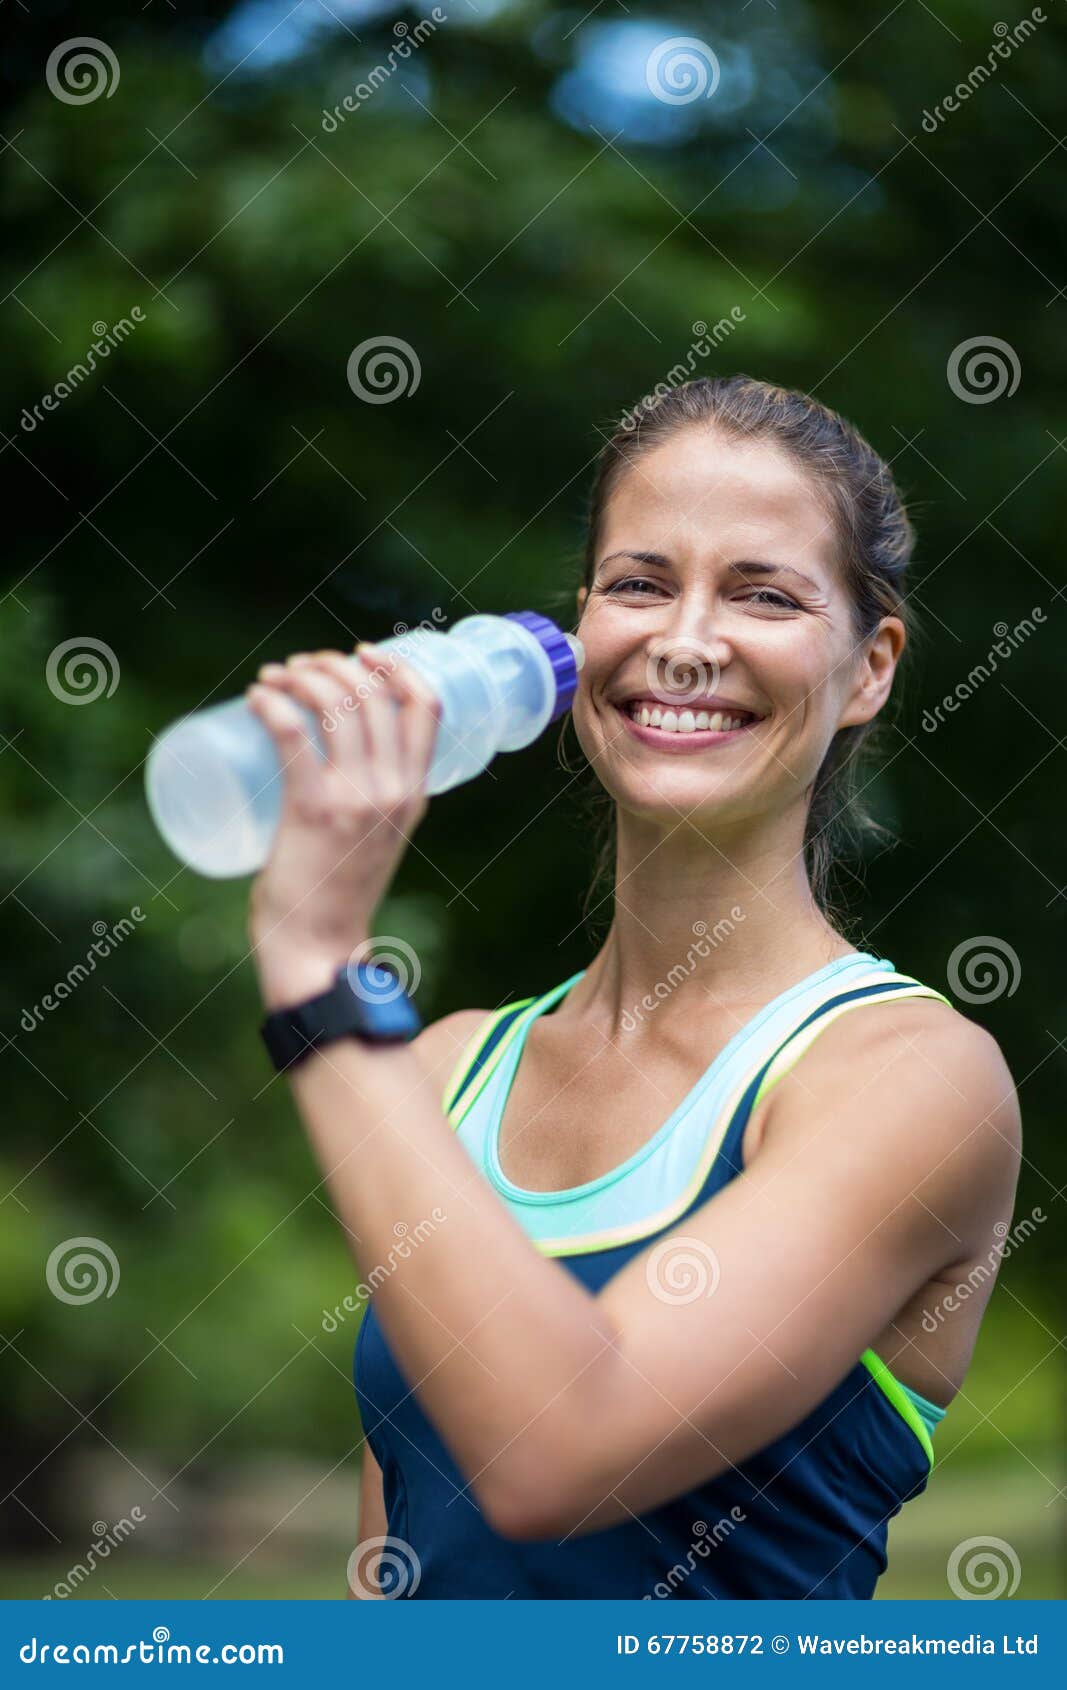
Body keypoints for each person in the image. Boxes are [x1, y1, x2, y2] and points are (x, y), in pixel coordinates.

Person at [244, 375, 1020, 1600]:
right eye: (640, 582)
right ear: (577, 628)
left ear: (867, 667)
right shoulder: (441, 1069)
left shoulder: (907, 1081)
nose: (684, 639)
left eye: (761, 593)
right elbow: (395, 1570)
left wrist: (317, 972)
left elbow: (557, 1453)